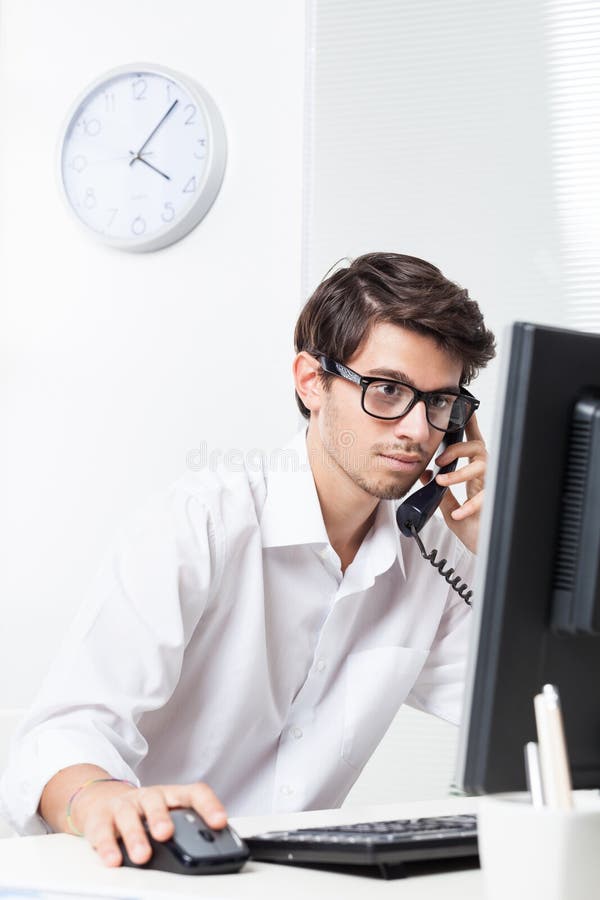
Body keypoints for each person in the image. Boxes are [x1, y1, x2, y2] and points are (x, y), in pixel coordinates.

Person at [0, 252, 495, 869]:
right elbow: (63, 733)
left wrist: (494, 551)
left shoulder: (433, 557)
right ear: (312, 382)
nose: (419, 431)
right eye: (388, 390)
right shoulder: (199, 524)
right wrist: (102, 798)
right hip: (147, 878)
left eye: (441, 403)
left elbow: (537, 725)